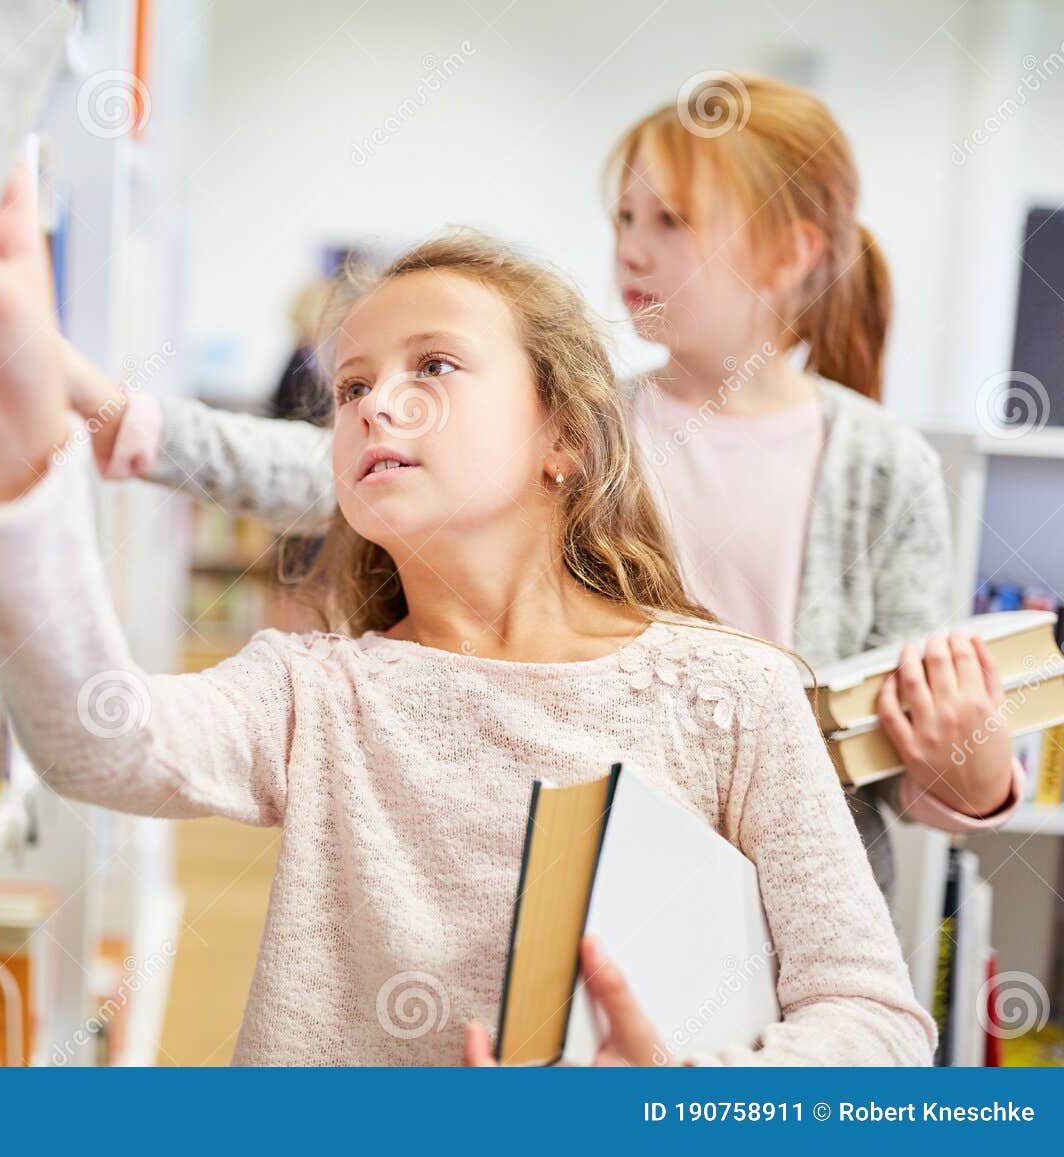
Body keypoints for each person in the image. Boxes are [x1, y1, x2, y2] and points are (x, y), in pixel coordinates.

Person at [0, 173, 935, 1064]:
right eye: (350, 386)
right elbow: (96, 742)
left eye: (432, 366)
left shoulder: (739, 694)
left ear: (562, 437)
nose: (372, 405)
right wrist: (12, 477)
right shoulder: (315, 691)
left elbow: (876, 1022)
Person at [66, 74, 1025, 902]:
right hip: (590, 884)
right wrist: (131, 423)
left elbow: (904, 741)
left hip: (786, 922)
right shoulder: (586, 422)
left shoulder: (883, 466)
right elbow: (336, 465)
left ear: (792, 253)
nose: (633, 249)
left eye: (672, 222)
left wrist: (976, 777)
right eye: (624, 218)